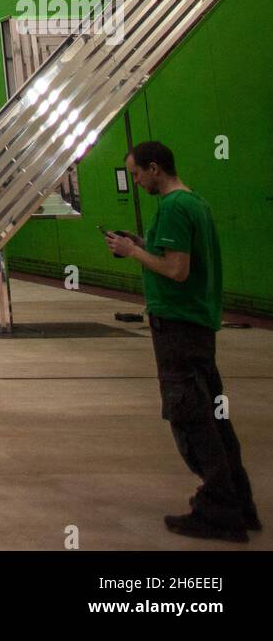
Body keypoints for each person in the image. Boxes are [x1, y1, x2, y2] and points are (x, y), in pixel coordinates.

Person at [107, 141, 259, 542]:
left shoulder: (173, 208)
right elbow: (177, 257)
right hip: (199, 324)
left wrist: (132, 253)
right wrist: (141, 244)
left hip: (178, 326)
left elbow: (176, 270)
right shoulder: (197, 204)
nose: (135, 181)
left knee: (191, 417)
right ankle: (241, 502)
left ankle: (219, 508)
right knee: (215, 416)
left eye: (136, 173)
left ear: (154, 168)